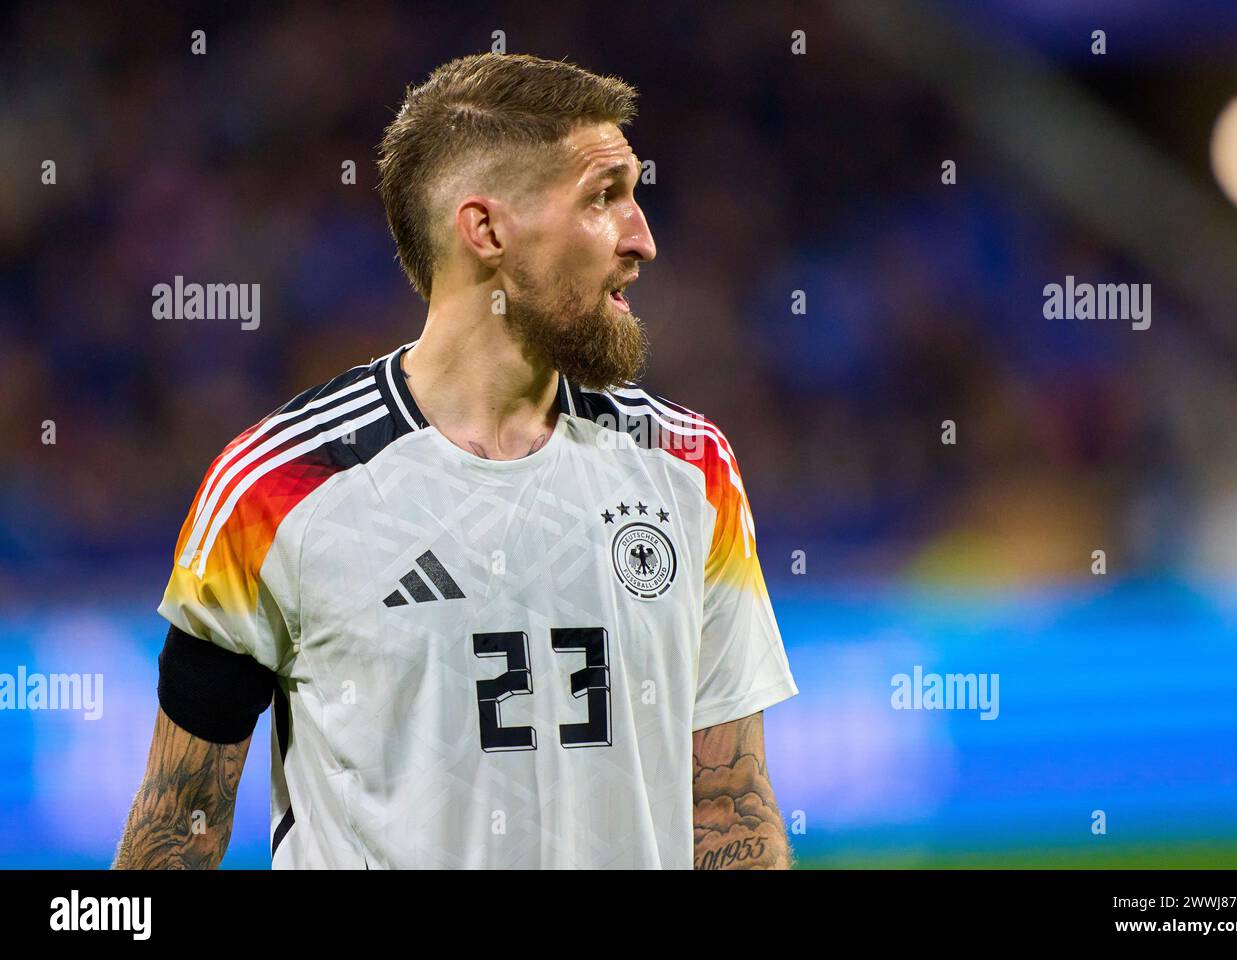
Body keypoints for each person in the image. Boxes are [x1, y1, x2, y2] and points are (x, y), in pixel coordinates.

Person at [112, 52, 797, 870]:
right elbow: (176, 831)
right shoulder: (277, 486)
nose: (641, 239)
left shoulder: (690, 468)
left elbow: (729, 809)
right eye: (604, 197)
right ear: (487, 230)